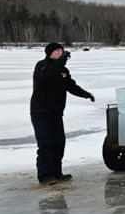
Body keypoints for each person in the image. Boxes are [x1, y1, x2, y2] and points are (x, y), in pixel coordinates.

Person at [30, 42, 95, 186]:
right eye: (57, 51)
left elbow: (70, 86)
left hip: (56, 113)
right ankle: (45, 176)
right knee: (46, 143)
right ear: (50, 53)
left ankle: (56, 173)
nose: (60, 53)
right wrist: (59, 64)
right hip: (40, 112)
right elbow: (45, 78)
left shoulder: (63, 70)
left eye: (61, 51)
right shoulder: (42, 66)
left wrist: (85, 94)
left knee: (59, 143)